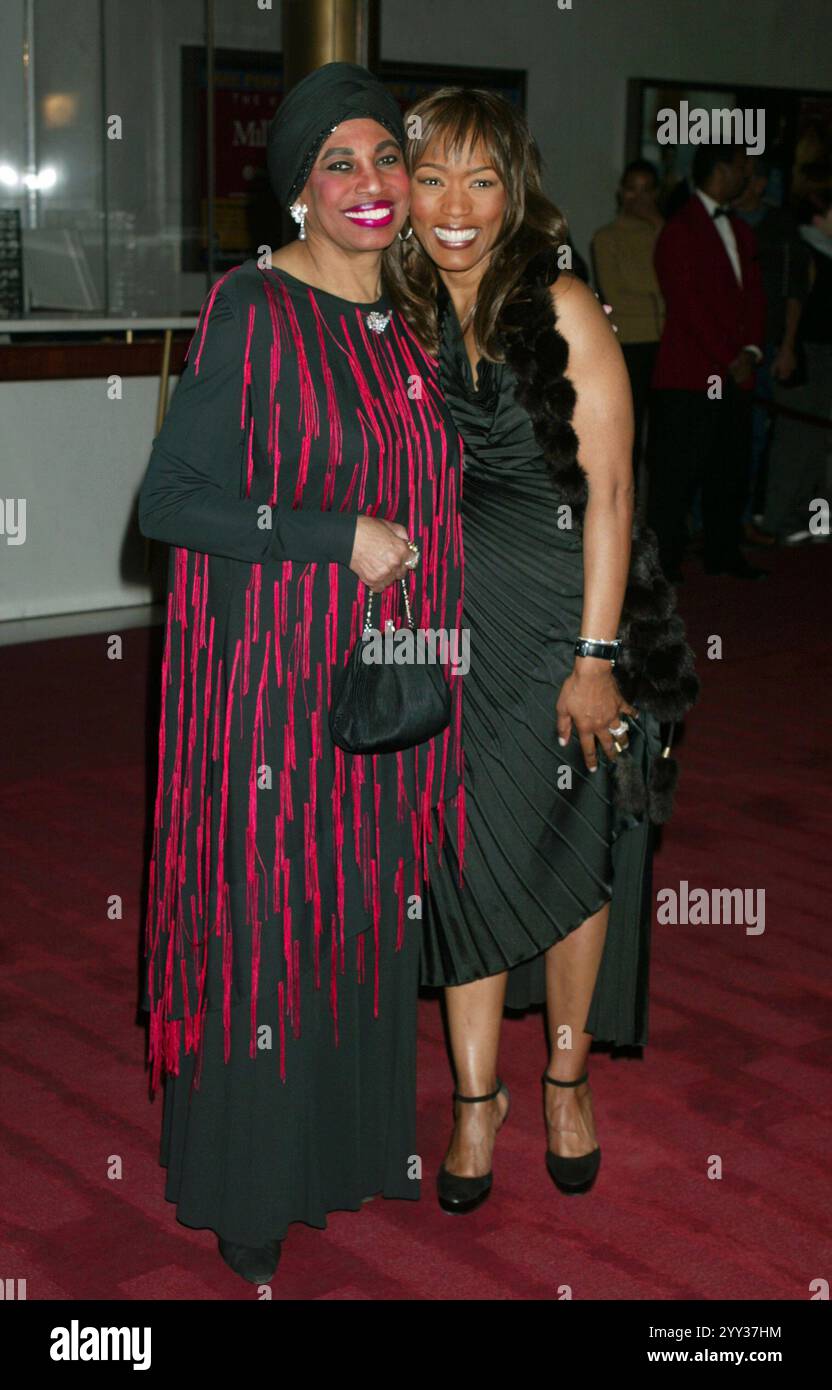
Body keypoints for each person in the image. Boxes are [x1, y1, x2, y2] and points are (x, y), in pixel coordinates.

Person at [137, 62, 465, 1283]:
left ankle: (341, 1149)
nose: (369, 182)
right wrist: (334, 536)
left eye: (386, 158)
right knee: (274, 917)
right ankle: (252, 1187)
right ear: (298, 190)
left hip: (388, 672)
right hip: (273, 682)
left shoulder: (412, 320)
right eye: (339, 163)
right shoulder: (253, 305)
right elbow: (170, 503)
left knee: (365, 912)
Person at [384, 88, 698, 1213]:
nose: (455, 206)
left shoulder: (560, 303)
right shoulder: (402, 307)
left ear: (514, 191)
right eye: (432, 179)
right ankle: (478, 1099)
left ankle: (565, 1079)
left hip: (565, 613)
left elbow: (612, 494)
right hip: (455, 620)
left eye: (480, 181)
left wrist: (597, 656)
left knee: (570, 848)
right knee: (460, 856)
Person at [647, 144, 768, 581]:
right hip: (690, 376)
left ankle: (723, 551)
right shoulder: (681, 229)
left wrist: (751, 351)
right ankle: (664, 562)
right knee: (677, 474)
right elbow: (686, 305)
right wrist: (730, 356)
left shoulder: (741, 229)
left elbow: (755, 297)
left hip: (735, 374)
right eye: (741, 168)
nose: (747, 176)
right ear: (720, 171)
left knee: (729, 469)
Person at [732, 157, 812, 541]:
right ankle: (704, 522)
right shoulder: (718, 218)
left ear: (761, 182)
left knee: (755, 436)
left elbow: (795, 288)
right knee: (712, 434)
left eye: (747, 174)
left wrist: (788, 345)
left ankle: (745, 517)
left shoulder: (779, 225)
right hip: (721, 343)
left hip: (765, 343)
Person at [759, 174, 832, 545]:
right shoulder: (802, 250)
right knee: (795, 439)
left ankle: (807, 519)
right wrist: (787, 348)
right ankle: (777, 519)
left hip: (823, 353)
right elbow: (794, 303)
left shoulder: (822, 251)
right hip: (805, 352)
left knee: (817, 442)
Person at [591, 160, 665, 500]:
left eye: (647, 189)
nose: (639, 197)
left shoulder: (664, 233)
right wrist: (658, 297)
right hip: (629, 344)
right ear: (621, 192)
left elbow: (683, 286)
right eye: (632, 188)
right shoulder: (607, 237)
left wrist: (661, 229)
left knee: (666, 437)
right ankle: (626, 510)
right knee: (627, 436)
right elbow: (616, 295)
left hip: (669, 344)